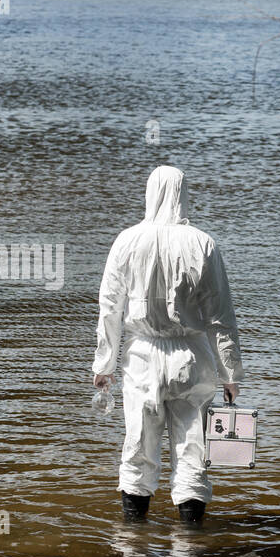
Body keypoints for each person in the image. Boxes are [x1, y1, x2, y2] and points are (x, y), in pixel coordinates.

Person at [92, 166, 241, 524]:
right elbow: (220, 315)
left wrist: (104, 364)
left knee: (138, 446)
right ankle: (189, 549)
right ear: (183, 195)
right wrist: (230, 373)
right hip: (192, 357)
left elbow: (110, 307)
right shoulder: (202, 243)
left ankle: (132, 543)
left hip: (142, 355)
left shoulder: (126, 241)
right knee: (193, 448)